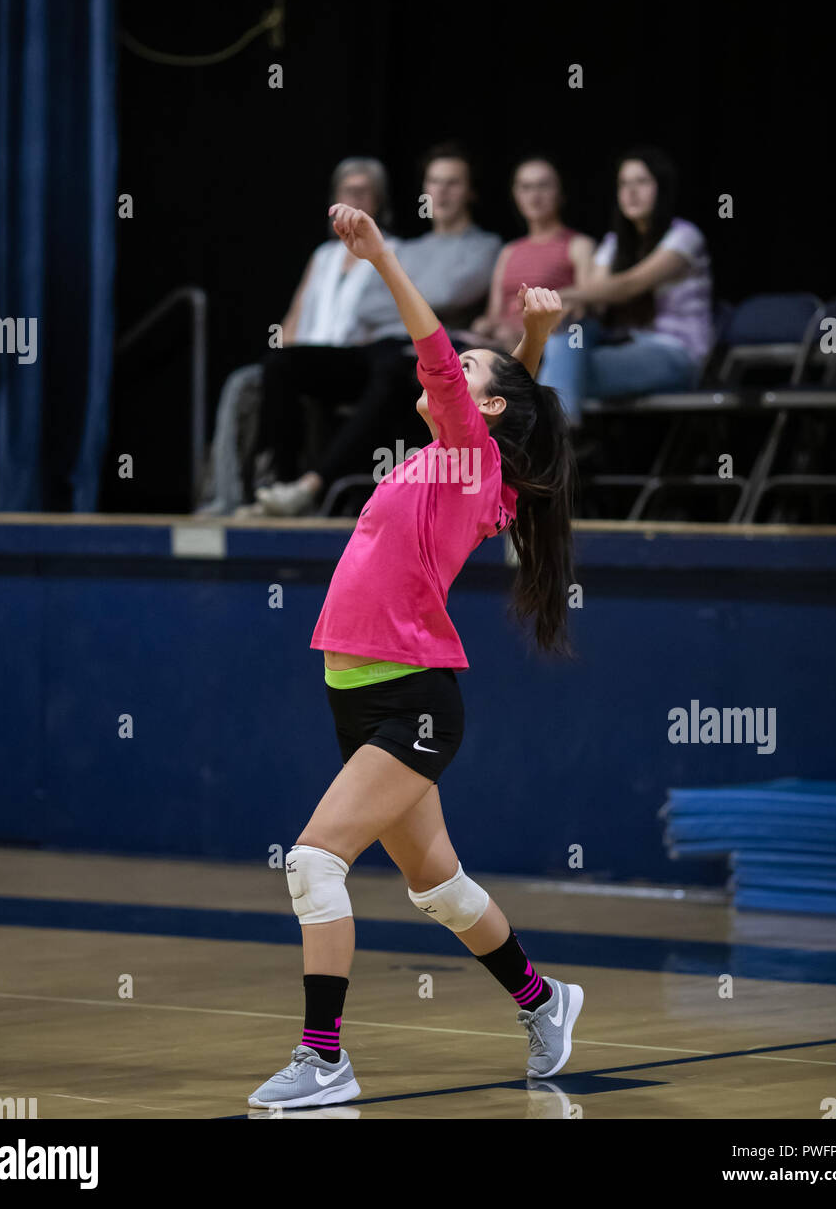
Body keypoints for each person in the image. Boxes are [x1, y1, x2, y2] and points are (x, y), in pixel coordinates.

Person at [248, 202, 583, 1109]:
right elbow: (508, 409)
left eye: (468, 372)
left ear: (483, 404)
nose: (450, 366)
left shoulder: (468, 455)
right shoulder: (468, 465)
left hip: (413, 701)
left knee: (314, 862)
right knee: (439, 888)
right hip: (357, 694)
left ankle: (325, 1059)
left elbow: (451, 363)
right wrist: (532, 339)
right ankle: (545, 1002)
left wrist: (380, 255)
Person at [254, 143, 501, 516]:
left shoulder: (484, 245)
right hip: (376, 344)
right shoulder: (410, 248)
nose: (443, 191)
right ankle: (279, 485)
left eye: (453, 183)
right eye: (435, 182)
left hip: (425, 353)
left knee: (391, 370)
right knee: (282, 363)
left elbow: (451, 292)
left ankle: (312, 486)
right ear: (424, 190)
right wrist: (413, 297)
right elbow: (368, 305)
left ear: (470, 192)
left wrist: (402, 291)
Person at [195, 157, 397, 516]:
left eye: (363, 192)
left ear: (379, 200)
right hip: (308, 356)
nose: (355, 199)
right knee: (250, 380)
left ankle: (291, 488)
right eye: (347, 191)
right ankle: (256, 488)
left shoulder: (392, 251)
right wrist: (281, 360)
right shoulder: (323, 256)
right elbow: (294, 317)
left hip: (354, 359)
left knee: (284, 371)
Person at [537, 147, 714, 424]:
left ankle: (554, 445)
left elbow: (630, 285)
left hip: (675, 353)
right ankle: (563, 443)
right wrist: (568, 304)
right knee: (568, 332)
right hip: (621, 344)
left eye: (641, 182)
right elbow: (596, 295)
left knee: (560, 373)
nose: (631, 192)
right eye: (624, 184)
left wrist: (565, 294)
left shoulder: (684, 237)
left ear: (662, 189)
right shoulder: (614, 243)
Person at [470, 156, 594, 350]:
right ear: (515, 195)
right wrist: (485, 325)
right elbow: (494, 314)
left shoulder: (579, 245)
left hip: (549, 344)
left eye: (543, 186)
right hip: (501, 344)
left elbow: (585, 307)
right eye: (525, 187)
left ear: (560, 193)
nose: (534, 196)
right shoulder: (509, 251)